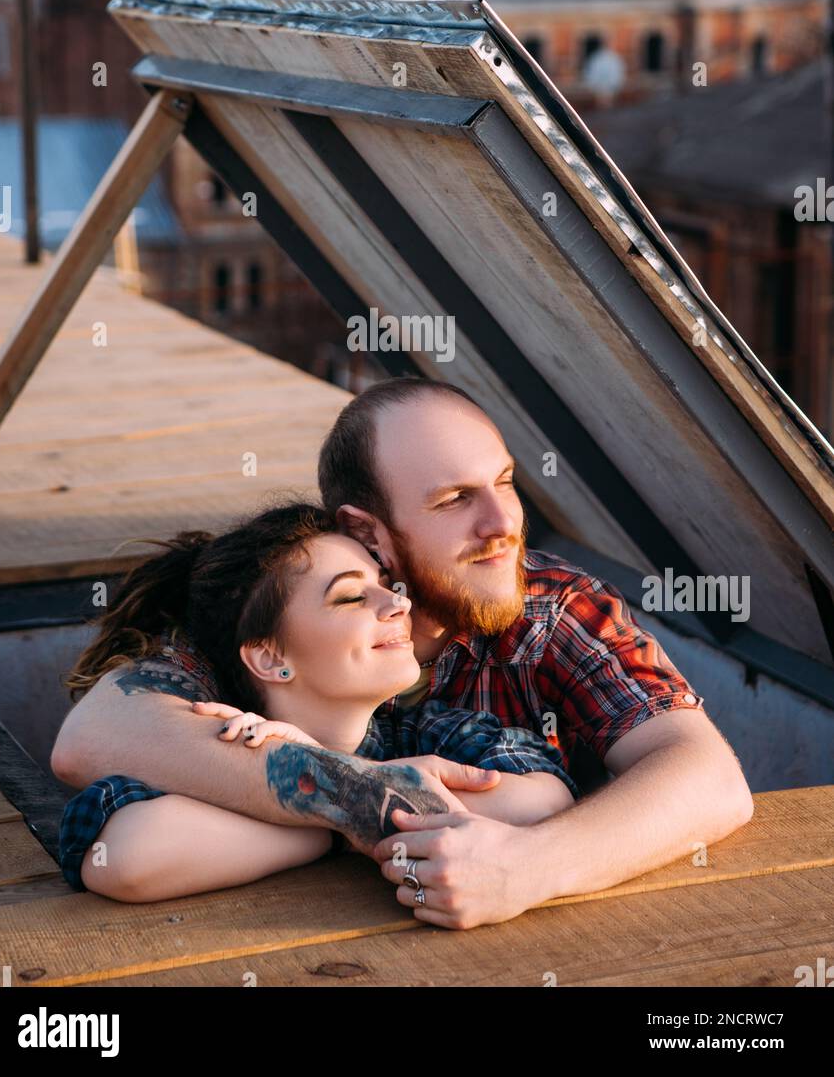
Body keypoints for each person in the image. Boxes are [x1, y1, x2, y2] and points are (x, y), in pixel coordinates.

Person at [52, 376, 753, 929]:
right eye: (454, 500)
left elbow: (708, 780)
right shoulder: (278, 612)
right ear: (370, 532)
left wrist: (526, 870)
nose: (503, 522)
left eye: (504, 481)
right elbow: (94, 736)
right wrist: (359, 801)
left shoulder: (552, 606)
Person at [59, 503, 578, 902]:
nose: (397, 602)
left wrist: (318, 795)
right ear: (270, 658)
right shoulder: (211, 754)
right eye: (352, 597)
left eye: (384, 584)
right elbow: (125, 859)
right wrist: (343, 821)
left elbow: (544, 802)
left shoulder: (432, 730)